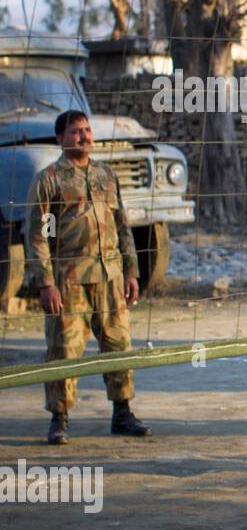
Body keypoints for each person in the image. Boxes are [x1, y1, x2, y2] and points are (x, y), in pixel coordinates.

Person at [28, 110, 151, 445]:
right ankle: (60, 417)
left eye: (86, 130)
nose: (84, 137)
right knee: (63, 351)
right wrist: (47, 282)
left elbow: (122, 226)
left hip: (110, 278)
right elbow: (40, 234)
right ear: (60, 138)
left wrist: (131, 271)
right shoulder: (49, 180)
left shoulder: (106, 176)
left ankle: (123, 413)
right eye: (75, 132)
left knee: (118, 346)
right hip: (70, 282)